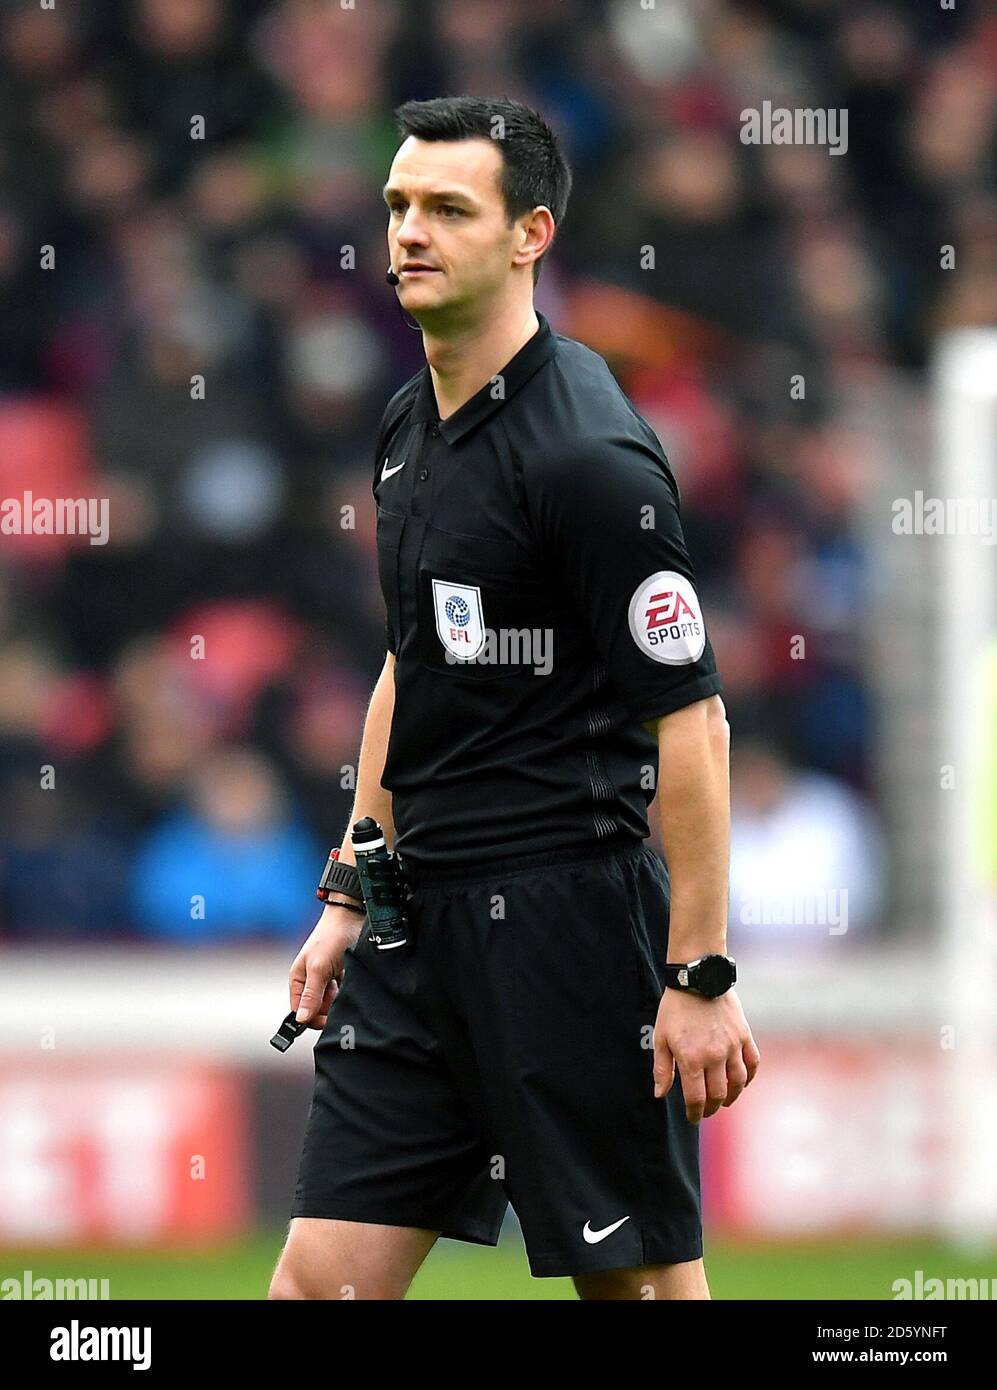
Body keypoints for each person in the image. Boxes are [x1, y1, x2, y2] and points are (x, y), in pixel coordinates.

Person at [269, 95, 759, 1302]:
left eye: (447, 208)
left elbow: (691, 716)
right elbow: (408, 665)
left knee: (636, 1292)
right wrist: (348, 887)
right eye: (396, 206)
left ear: (529, 233)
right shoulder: (407, 427)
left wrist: (698, 974)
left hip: (566, 926)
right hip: (413, 925)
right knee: (315, 1285)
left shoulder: (589, 456)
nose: (408, 233)